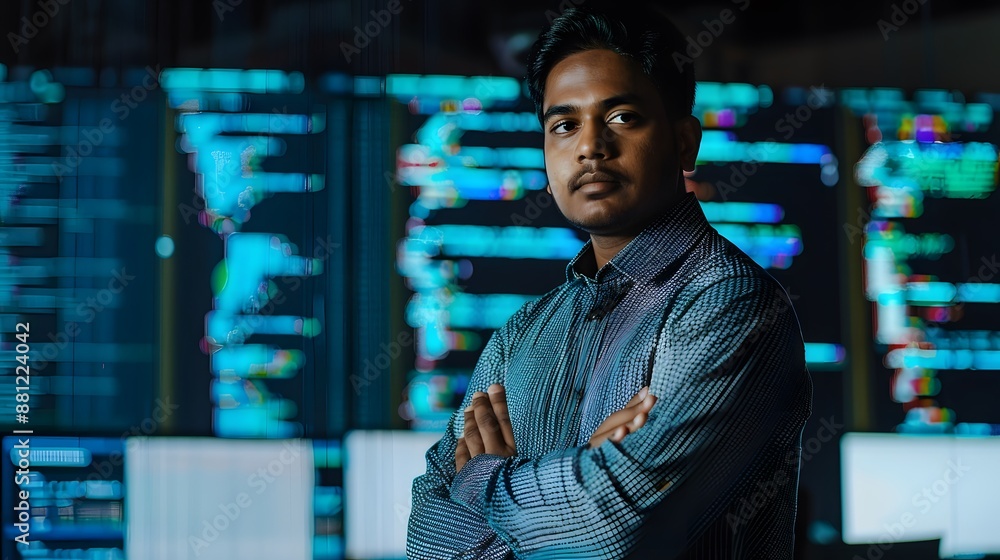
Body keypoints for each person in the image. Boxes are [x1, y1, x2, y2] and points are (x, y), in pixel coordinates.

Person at [406, 3, 813, 558]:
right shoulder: (521, 335)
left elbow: (614, 528)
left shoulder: (732, 305)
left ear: (685, 142)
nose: (590, 146)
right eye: (564, 125)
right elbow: (425, 542)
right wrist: (583, 472)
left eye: (622, 116)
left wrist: (484, 481)